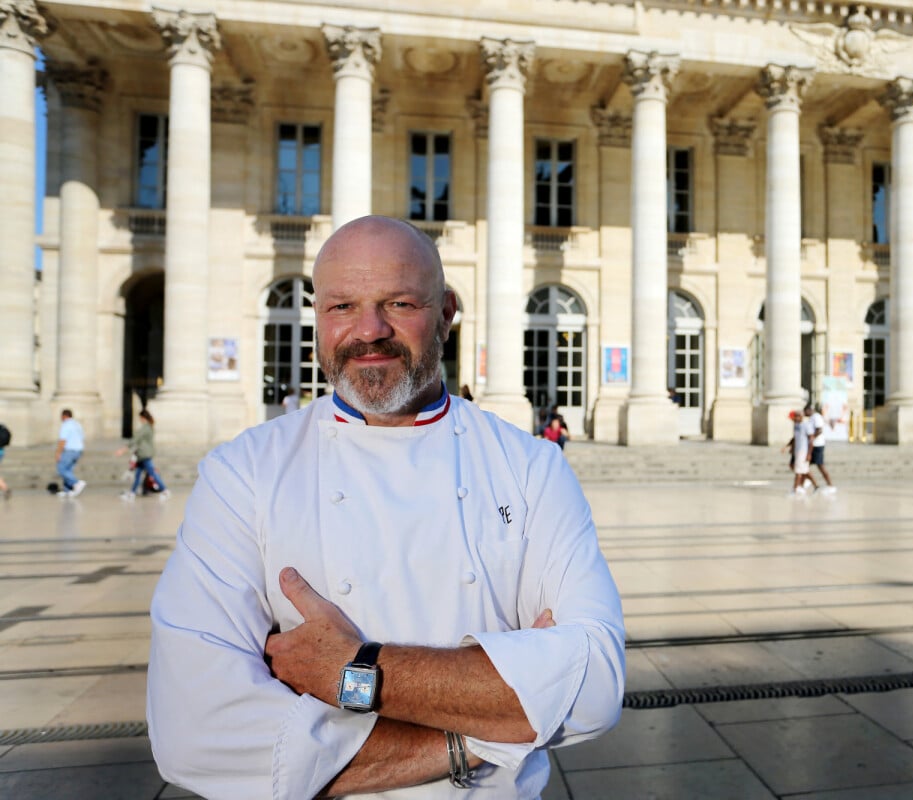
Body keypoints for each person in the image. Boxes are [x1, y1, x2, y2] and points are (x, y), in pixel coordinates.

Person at [147, 216, 625, 799]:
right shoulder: (243, 473)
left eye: (398, 303)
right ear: (316, 316)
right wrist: (482, 734)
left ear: (447, 313)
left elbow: (594, 687)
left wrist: (354, 672)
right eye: (341, 307)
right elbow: (195, 734)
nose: (369, 331)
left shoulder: (530, 468)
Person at [115, 409, 169, 500]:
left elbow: (135, 439)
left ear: (143, 417)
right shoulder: (150, 427)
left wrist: (123, 449)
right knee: (138, 475)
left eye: (140, 418)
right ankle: (132, 493)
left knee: (152, 473)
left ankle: (165, 490)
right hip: (142, 454)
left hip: (144, 454)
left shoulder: (145, 428)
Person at [783, 408, 816, 496]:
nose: (794, 419)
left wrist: (809, 453)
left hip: (803, 451)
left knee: (799, 470)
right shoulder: (796, 425)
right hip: (797, 450)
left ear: (801, 416)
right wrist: (789, 447)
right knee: (802, 469)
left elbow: (811, 439)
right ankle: (813, 485)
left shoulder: (806, 425)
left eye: (796, 417)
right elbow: (795, 438)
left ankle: (795, 489)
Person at [54, 409, 86, 498]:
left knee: (61, 468)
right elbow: (82, 437)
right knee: (68, 470)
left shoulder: (66, 425)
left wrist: (58, 453)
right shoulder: (77, 424)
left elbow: (63, 440)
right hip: (78, 450)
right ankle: (67, 490)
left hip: (70, 450)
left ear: (64, 416)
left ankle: (76, 483)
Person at [807, 403, 836, 494]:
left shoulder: (816, 417)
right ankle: (806, 481)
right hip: (813, 444)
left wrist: (812, 438)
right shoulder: (812, 417)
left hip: (817, 444)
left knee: (820, 466)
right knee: (805, 465)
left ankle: (830, 485)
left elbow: (819, 430)